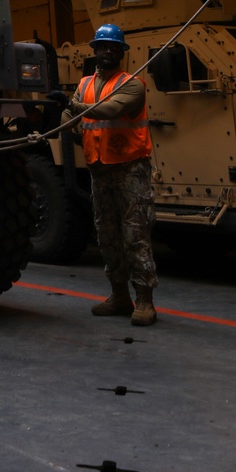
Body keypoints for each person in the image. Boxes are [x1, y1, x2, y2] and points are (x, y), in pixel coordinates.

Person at [66, 22, 157, 326]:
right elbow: (70, 120)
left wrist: (74, 107)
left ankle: (144, 301)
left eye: (112, 46)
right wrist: (64, 113)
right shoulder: (84, 84)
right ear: (94, 50)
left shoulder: (133, 84)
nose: (107, 50)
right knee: (107, 236)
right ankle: (119, 296)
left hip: (130, 170)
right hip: (100, 170)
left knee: (135, 235)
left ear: (121, 52)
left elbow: (109, 109)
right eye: (102, 46)